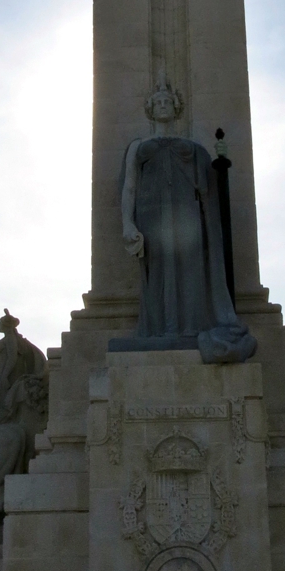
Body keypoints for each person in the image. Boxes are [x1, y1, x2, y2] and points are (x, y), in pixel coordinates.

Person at [119, 81, 255, 363]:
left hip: (188, 217)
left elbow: (208, 187)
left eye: (168, 102)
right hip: (151, 217)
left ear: (177, 108)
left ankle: (191, 328)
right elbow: (129, 187)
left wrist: (220, 161)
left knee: (191, 272)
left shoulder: (192, 148)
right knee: (156, 274)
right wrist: (127, 223)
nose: (163, 106)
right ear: (150, 110)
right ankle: (158, 331)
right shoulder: (138, 146)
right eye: (158, 103)